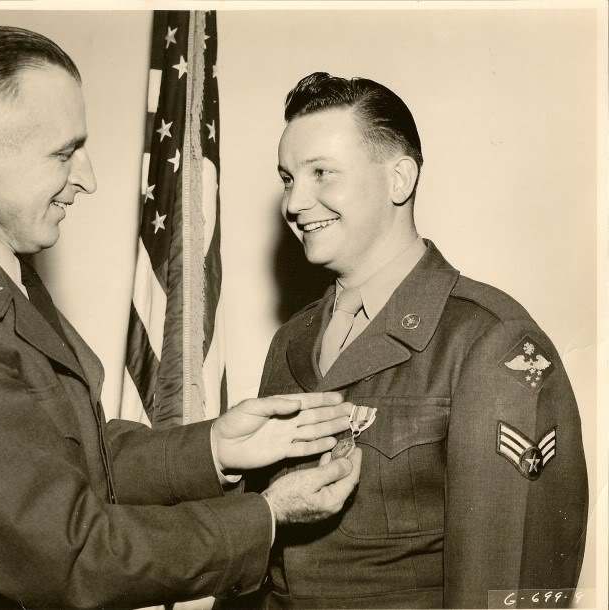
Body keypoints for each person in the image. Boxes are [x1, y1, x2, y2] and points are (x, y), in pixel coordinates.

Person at [0, 28, 364, 610]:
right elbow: (68, 555)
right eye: (63, 152)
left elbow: (68, 454)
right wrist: (267, 514)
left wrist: (216, 448)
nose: (86, 177)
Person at [244, 72, 588, 609]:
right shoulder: (293, 340)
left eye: (322, 174)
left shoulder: (489, 338)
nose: (295, 202)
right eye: (288, 178)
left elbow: (511, 574)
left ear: (399, 180)